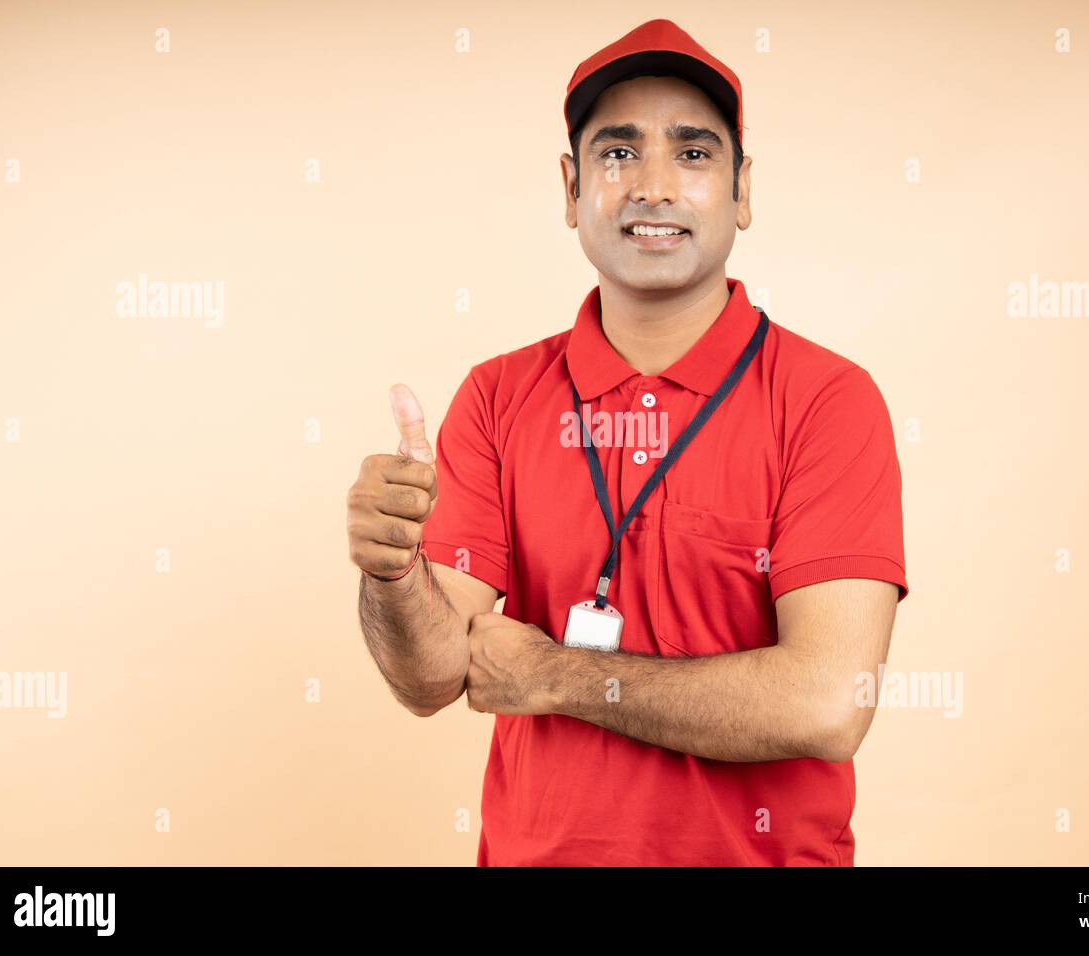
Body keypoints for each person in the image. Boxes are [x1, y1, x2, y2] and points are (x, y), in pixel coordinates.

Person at [346, 18, 909, 866]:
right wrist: (393, 573)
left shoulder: (828, 401)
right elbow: (431, 679)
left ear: (742, 190)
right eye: (617, 153)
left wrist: (558, 677)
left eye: (692, 154)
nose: (652, 186)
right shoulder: (498, 398)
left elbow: (828, 702)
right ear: (572, 189)